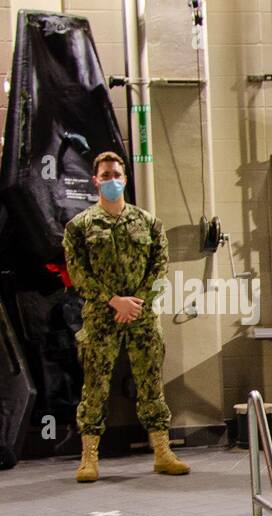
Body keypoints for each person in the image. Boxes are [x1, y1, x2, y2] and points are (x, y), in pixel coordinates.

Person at [63, 150, 188, 482]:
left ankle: (162, 452)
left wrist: (137, 303)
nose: (112, 181)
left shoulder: (148, 223)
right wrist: (114, 301)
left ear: (126, 179)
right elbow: (78, 274)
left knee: (151, 384)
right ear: (95, 181)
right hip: (101, 318)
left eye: (117, 175)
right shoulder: (79, 227)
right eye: (106, 176)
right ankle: (89, 458)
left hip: (143, 317)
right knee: (95, 388)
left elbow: (159, 269)